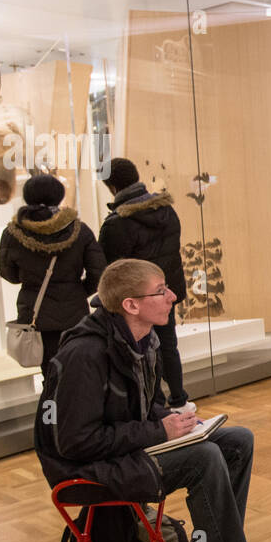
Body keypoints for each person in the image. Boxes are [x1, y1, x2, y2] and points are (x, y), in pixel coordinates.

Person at [34, 258, 271, 542]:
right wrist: (158, 430)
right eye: (160, 291)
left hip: (121, 453)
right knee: (204, 458)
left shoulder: (143, 340)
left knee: (237, 441)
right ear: (131, 305)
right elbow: (75, 443)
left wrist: (176, 422)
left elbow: (147, 407)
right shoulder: (84, 355)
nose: (172, 296)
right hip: (85, 472)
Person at [97, 157, 194, 413]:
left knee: (140, 351)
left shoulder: (116, 224)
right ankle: (179, 399)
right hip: (164, 290)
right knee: (167, 344)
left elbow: (112, 271)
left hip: (136, 299)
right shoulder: (166, 210)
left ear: (111, 187)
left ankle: (154, 406)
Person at [0, 174, 106, 378]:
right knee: (79, 369)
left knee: (49, 373)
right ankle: (78, 407)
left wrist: (31, 278)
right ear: (59, 196)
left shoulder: (12, 233)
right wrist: (77, 290)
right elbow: (98, 272)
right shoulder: (79, 230)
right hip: (74, 311)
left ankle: (52, 408)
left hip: (35, 314)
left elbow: (9, 274)